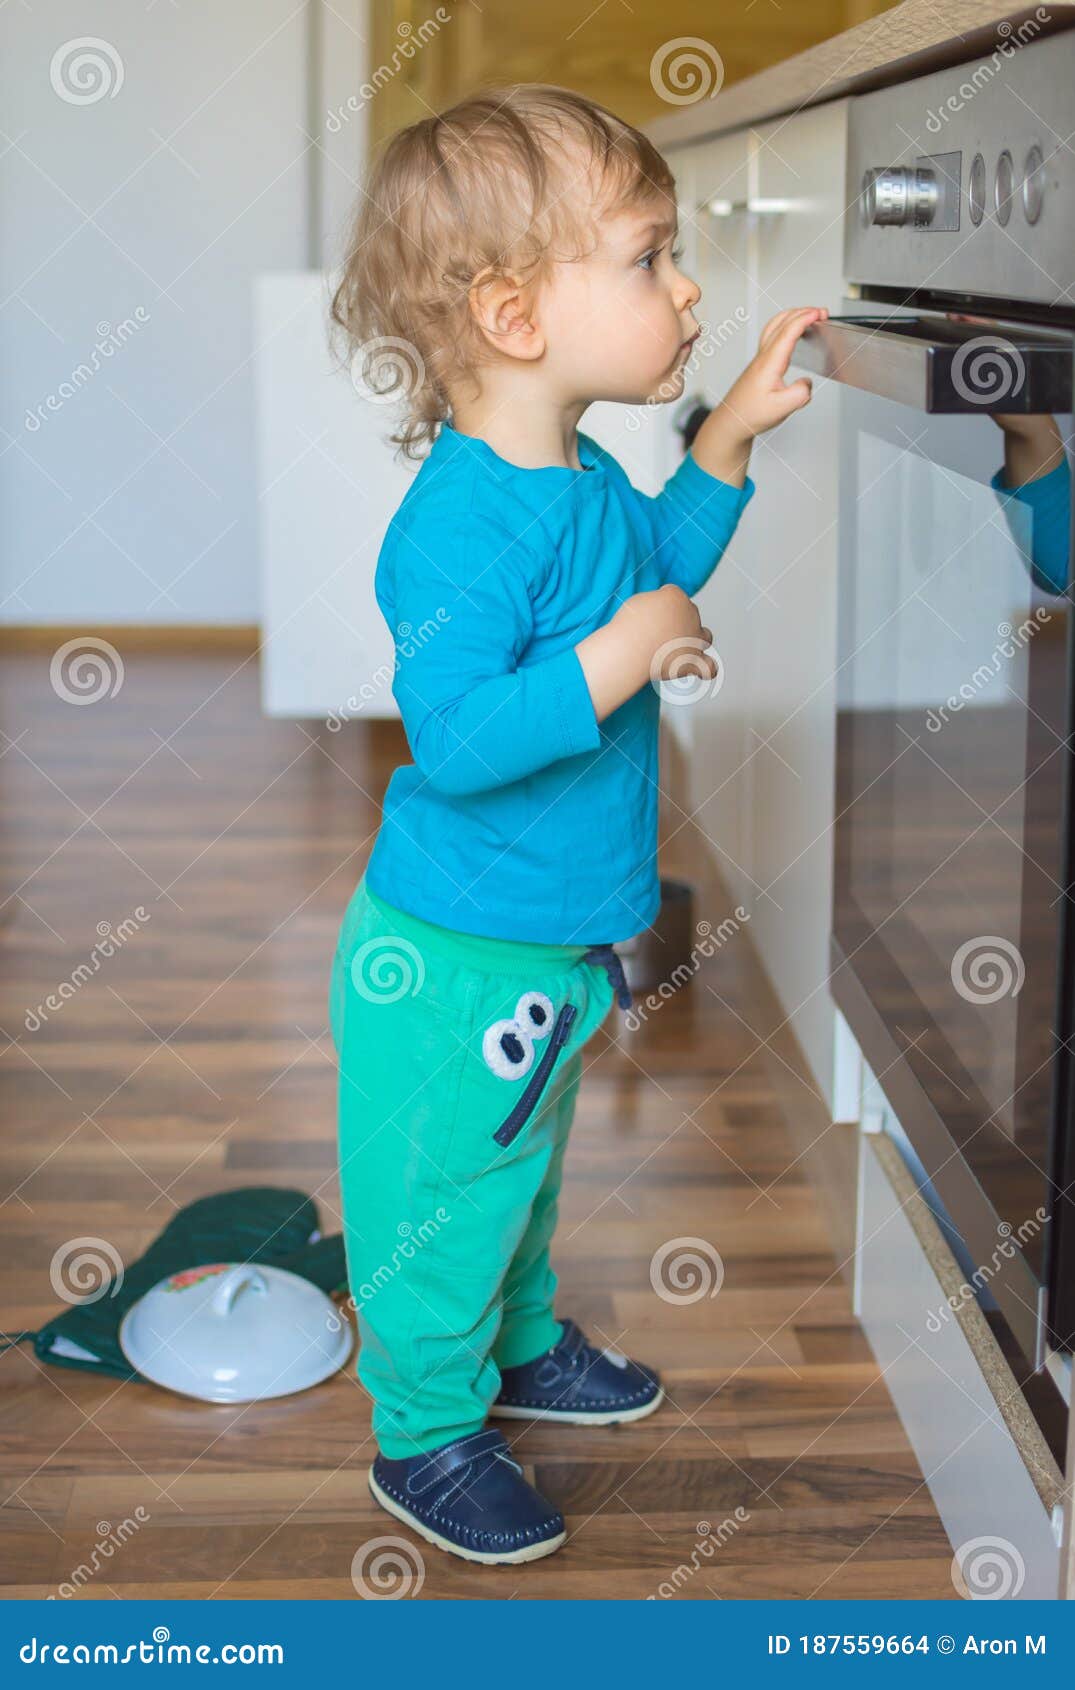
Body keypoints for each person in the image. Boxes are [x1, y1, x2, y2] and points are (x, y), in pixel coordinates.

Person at [327, 83, 825, 1566]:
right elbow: (461, 738)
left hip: (546, 943)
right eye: (652, 257)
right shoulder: (462, 525)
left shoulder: (590, 475)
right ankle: (423, 1429)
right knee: (443, 1199)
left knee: (525, 1165)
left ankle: (524, 1344)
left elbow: (656, 563)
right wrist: (621, 656)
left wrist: (726, 438)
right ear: (513, 311)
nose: (686, 288)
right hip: (453, 956)